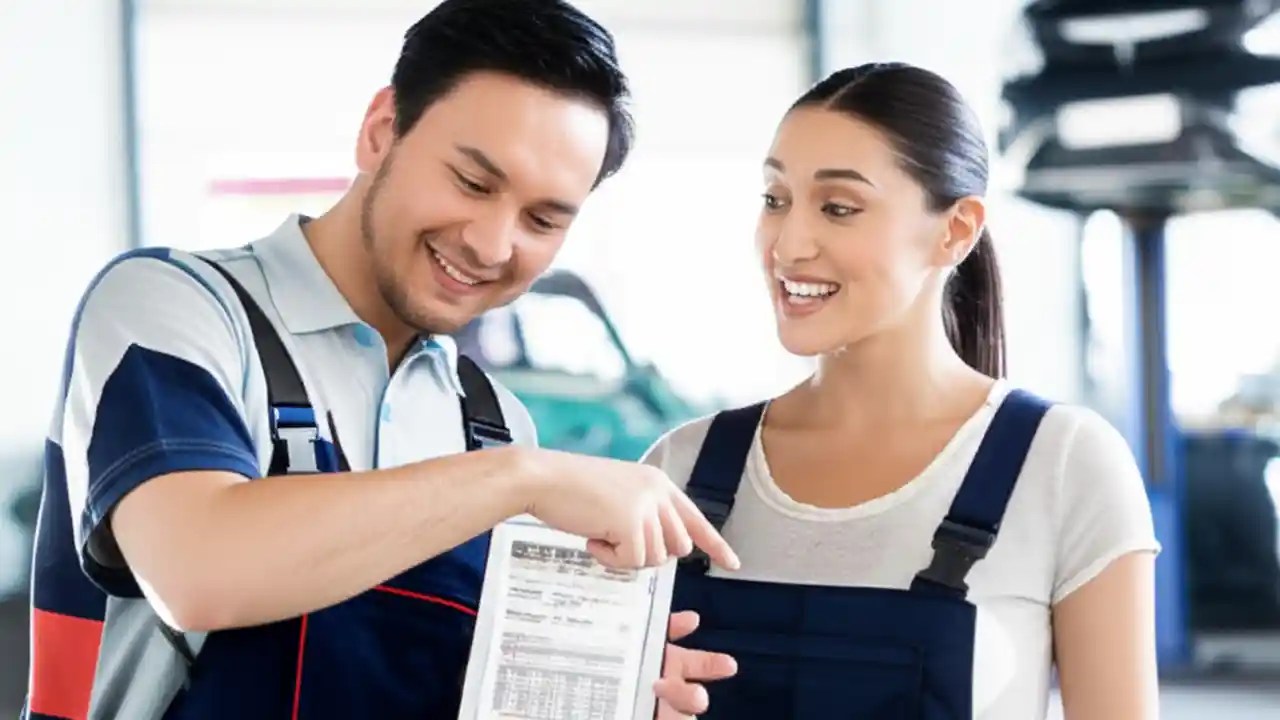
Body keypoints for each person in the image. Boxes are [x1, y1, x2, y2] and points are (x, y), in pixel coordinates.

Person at [22, 1, 739, 718]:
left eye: (542, 220)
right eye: (473, 183)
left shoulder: (492, 424)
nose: (492, 244)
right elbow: (197, 569)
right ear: (380, 131)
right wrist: (522, 478)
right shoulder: (175, 310)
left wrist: (595, 691)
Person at [643, 63, 1161, 719]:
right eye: (776, 200)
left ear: (955, 230)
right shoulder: (680, 471)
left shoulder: (1063, 466)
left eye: (838, 208)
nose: (788, 243)